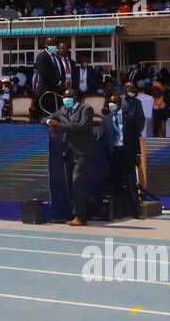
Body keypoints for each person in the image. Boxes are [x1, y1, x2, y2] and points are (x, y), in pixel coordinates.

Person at [50, 87, 95, 226]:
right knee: (70, 184)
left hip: (82, 151)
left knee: (77, 182)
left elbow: (82, 127)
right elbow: (49, 117)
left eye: (67, 97)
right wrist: (50, 123)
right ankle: (75, 213)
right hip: (68, 151)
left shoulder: (86, 109)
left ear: (75, 98)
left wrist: (60, 126)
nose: (65, 100)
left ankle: (80, 216)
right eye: (64, 97)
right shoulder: (63, 109)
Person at [103, 91, 144, 202]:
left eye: (114, 102)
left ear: (120, 104)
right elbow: (104, 136)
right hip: (114, 153)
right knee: (115, 180)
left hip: (127, 152)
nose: (111, 104)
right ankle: (119, 208)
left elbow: (135, 137)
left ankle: (135, 208)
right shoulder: (106, 119)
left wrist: (137, 154)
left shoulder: (129, 117)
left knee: (130, 180)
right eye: (110, 102)